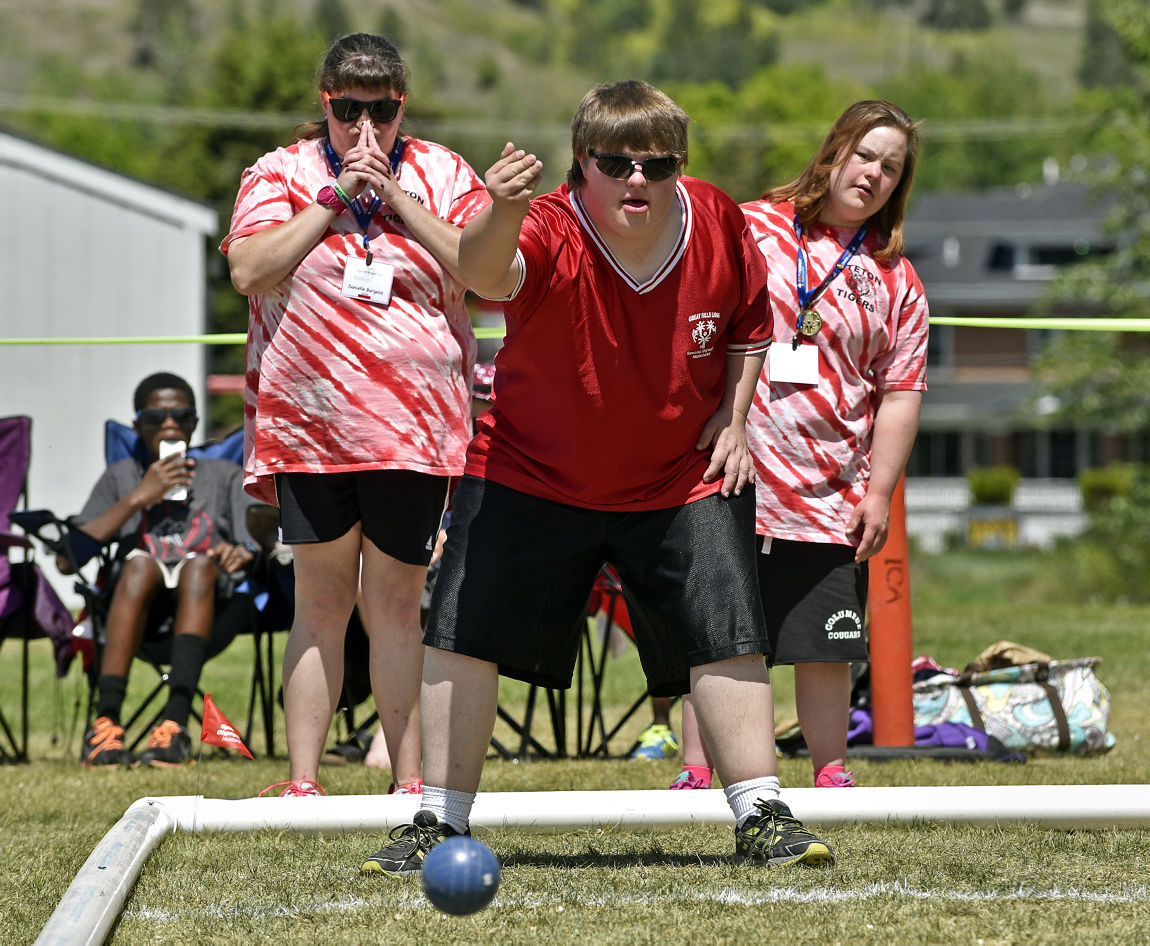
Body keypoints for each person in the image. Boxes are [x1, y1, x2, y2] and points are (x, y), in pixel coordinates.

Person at [361, 79, 834, 875]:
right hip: (530, 467)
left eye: (658, 163)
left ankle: (762, 814)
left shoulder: (717, 218)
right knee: (460, 632)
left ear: (680, 165)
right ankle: (438, 820)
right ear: (582, 164)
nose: (637, 180)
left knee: (729, 631)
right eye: (616, 163)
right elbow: (487, 275)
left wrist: (736, 415)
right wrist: (501, 210)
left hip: (677, 474)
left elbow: (752, 325)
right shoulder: (546, 222)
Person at [222, 33, 490, 797]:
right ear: (325, 103)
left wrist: (396, 199)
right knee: (321, 599)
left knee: (397, 604)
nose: (364, 126)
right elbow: (249, 267)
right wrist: (335, 200)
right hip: (309, 426)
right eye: (348, 110)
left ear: (401, 104)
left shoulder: (441, 172)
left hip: (414, 427)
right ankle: (303, 780)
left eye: (380, 110)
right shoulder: (279, 172)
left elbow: (483, 267)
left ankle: (408, 779)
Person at [723, 99, 927, 790]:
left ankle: (830, 773)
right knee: (720, 638)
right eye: (865, 155)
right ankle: (699, 771)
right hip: (732, 475)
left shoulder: (896, 276)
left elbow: (901, 392)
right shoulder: (752, 227)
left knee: (827, 643)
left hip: (832, 492)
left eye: (891, 168)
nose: (873, 174)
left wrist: (878, 493)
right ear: (833, 151)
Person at [68, 372, 258, 768]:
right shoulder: (123, 476)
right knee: (139, 567)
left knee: (197, 566)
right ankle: (105, 725)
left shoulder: (224, 476)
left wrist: (241, 552)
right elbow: (69, 558)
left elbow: (250, 542)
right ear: (138, 426)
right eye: (156, 418)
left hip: (210, 608)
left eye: (181, 415)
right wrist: (140, 496)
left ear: (194, 423)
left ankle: (174, 724)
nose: (169, 425)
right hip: (137, 611)